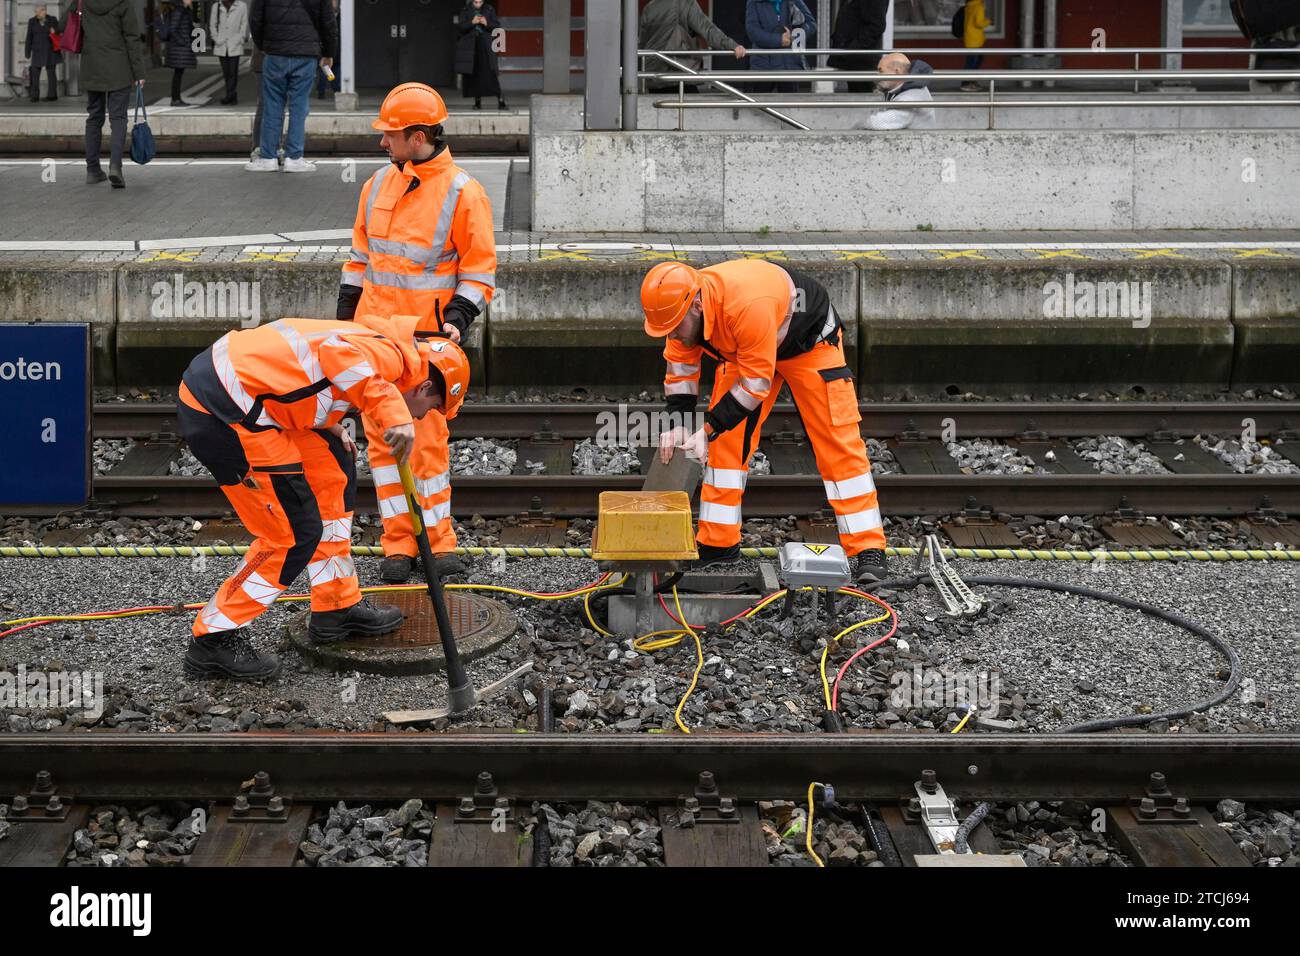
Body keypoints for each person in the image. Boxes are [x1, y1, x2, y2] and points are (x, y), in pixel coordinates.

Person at [176, 316, 472, 680]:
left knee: (335, 460)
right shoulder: (394, 359)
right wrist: (394, 414)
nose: (423, 415)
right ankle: (213, 638)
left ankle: (335, 607)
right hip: (224, 409)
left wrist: (325, 417)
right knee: (292, 534)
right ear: (424, 385)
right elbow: (338, 354)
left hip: (255, 399)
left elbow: (313, 372)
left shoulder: (390, 350)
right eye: (429, 408)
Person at [337, 83, 497, 584]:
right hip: (375, 336)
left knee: (426, 443)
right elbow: (359, 260)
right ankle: (398, 544)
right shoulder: (376, 185)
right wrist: (346, 319)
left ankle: (437, 542)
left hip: (424, 343)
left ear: (418, 136)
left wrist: (457, 321)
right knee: (383, 444)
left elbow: (479, 271)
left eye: (391, 135)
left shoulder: (462, 191)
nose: (383, 142)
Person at [642, 259, 888, 584]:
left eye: (674, 327)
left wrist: (706, 429)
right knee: (727, 445)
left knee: (837, 442)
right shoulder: (680, 311)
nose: (672, 334)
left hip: (809, 344)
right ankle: (718, 543)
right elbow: (681, 370)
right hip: (746, 349)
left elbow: (756, 384)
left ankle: (867, 548)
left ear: (697, 305)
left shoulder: (745, 306)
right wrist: (678, 422)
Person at [246, 0, 336, 173]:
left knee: (272, 105)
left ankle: (268, 157)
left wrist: (264, 45)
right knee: (299, 106)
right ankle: (294, 157)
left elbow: (255, 19)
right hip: (306, 53)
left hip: (275, 53)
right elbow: (328, 22)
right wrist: (328, 53)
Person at [78, 0, 148, 189]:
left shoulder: (83, 2)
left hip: (91, 66)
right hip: (118, 67)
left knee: (94, 117)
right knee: (118, 118)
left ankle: (92, 170)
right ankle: (115, 167)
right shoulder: (123, 2)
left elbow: (63, 25)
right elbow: (132, 38)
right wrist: (138, 72)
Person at [638, 0, 746, 92]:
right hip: (679, 71)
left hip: (654, 76)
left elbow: (641, 43)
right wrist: (731, 45)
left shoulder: (649, 7)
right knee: (690, 113)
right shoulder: (685, 2)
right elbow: (707, 29)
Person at [745, 0, 817, 93]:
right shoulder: (754, 2)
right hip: (764, 64)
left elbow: (811, 24)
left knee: (789, 105)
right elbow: (753, 31)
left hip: (789, 63)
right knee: (760, 104)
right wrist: (779, 40)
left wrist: (794, 36)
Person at [859, 52, 933, 129]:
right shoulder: (906, 87)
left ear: (897, 72)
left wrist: (860, 125)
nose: (878, 76)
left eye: (881, 71)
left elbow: (875, 123)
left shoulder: (910, 97)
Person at [827, 0, 889, 93]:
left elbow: (876, 26)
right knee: (856, 94)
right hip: (855, 57)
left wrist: (853, 47)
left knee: (863, 96)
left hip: (862, 59)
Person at [455, 0, 506, 110]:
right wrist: (472, 22)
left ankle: (500, 100)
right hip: (471, 47)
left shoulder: (488, 9)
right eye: (476, 2)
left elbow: (497, 26)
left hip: (486, 45)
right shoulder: (465, 10)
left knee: (491, 73)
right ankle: (477, 102)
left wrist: (486, 23)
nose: (478, 3)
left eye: (480, 1)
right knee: (475, 75)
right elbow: (461, 27)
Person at [210, 0, 250, 105]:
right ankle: (232, 95)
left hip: (235, 44)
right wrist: (216, 39)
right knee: (226, 73)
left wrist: (239, 39)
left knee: (233, 72)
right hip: (221, 44)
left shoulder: (242, 6)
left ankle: (229, 95)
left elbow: (244, 24)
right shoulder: (216, 6)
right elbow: (212, 25)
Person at [158, 0, 198, 106]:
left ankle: (176, 98)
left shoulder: (183, 10)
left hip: (180, 48)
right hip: (179, 48)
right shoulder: (179, 10)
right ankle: (175, 99)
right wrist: (183, 42)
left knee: (179, 74)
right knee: (178, 74)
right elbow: (173, 29)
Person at [24, 4, 62, 102]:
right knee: (35, 74)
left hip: (50, 51)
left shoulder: (52, 19)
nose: (39, 13)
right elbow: (29, 37)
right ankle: (35, 96)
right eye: (38, 11)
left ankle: (52, 95)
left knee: (51, 73)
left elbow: (60, 30)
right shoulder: (32, 21)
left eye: (41, 10)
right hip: (37, 50)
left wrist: (55, 31)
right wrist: (27, 52)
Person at [960, 0, 990, 92]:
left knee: (973, 60)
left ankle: (970, 81)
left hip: (969, 38)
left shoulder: (969, 6)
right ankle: (966, 83)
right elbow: (979, 23)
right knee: (973, 62)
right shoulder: (979, 6)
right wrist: (988, 21)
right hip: (976, 40)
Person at [315, 0, 341, 99]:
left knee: (334, 75)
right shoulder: (326, 17)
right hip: (327, 52)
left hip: (334, 52)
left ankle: (335, 91)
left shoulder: (338, 18)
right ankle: (322, 93)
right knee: (324, 75)